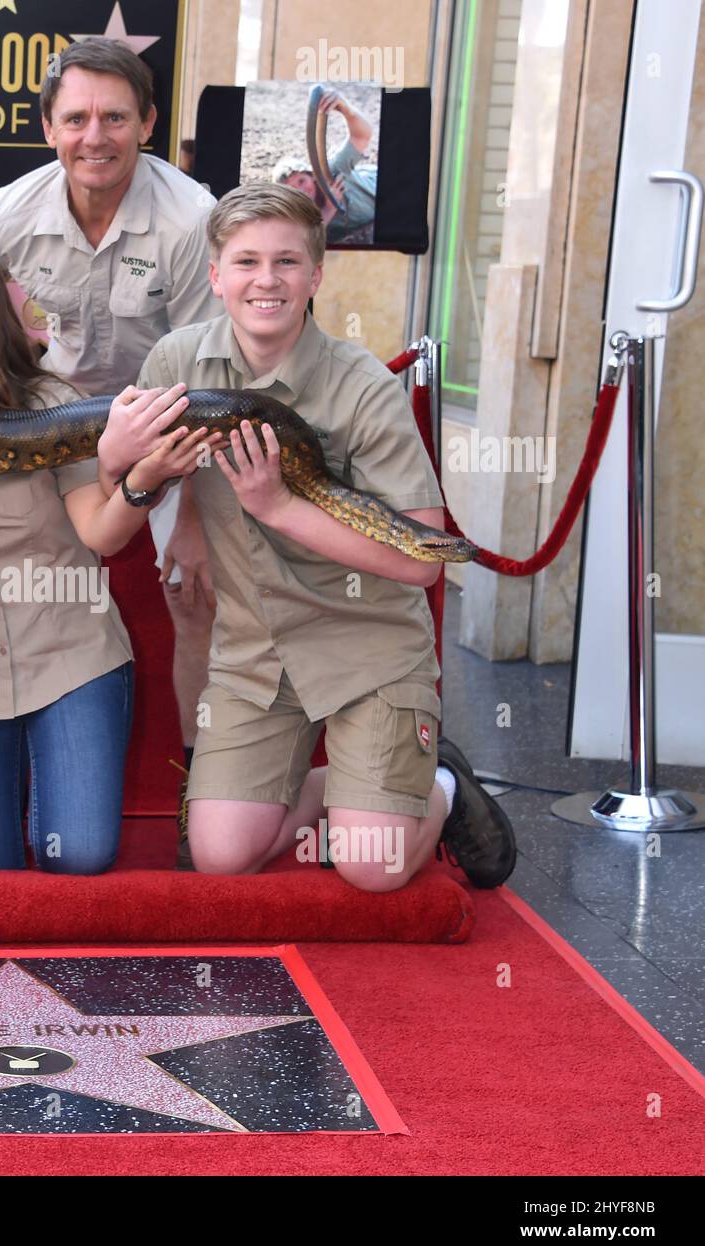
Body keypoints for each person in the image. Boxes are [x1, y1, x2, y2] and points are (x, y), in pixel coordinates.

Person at [107, 181, 516, 891]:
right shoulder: (177, 363)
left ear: (317, 275)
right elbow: (127, 476)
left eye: (287, 262)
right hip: (257, 655)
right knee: (222, 857)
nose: (266, 280)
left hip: (368, 650)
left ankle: (442, 782)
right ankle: (358, 784)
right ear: (215, 274)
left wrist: (282, 507)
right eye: (245, 261)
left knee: (372, 868)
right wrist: (121, 452)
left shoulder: (362, 386)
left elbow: (422, 561)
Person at [0, 35, 224, 858]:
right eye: (76, 118)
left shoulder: (192, 218)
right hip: (47, 427)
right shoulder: (2, 217)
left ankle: (202, 790)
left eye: (115, 116)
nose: (95, 136)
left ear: (146, 121)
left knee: (194, 590)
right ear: (47, 128)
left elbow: (211, 374)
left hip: (174, 426)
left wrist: (195, 520)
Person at [0, 242, 209, 873]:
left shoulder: (50, 403)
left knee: (78, 855)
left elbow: (102, 534)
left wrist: (141, 482)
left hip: (71, 660)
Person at [271, 89, 377, 245]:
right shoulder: (295, 218)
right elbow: (298, 244)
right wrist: (329, 209)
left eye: (301, 181)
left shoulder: (331, 170)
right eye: (293, 190)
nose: (302, 191)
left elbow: (362, 135)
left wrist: (346, 108)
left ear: (312, 175)